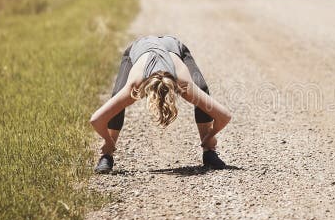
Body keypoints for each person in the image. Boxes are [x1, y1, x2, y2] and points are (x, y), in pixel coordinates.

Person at [90, 35, 232, 173]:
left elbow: (224, 116)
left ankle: (209, 152)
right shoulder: (135, 87)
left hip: (173, 46)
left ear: (176, 89)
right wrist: (108, 142)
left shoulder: (184, 85)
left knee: (201, 89)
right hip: (140, 47)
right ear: (144, 91)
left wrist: (210, 137)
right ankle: (107, 155)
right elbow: (96, 120)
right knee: (118, 95)